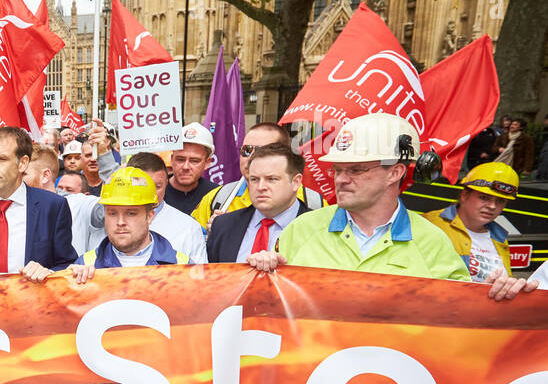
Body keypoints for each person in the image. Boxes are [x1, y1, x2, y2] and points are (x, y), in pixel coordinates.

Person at [248, 113, 537, 300]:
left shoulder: (432, 241)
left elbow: (460, 317)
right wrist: (261, 273)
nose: (341, 179)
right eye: (338, 169)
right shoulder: (303, 229)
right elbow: (269, 308)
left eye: (357, 169)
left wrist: (501, 297)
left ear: (395, 172)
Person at [0, 126, 76, 283]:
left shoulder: (52, 207)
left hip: (31, 303)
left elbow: (66, 263)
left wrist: (48, 272)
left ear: (22, 163)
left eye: (1, 159)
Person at [191, 122, 323, 228]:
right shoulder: (216, 199)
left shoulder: (314, 203)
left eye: (263, 151)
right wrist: (216, 234)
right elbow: (191, 247)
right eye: (247, 150)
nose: (251, 158)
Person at [70, 167, 187, 283]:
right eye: (112, 213)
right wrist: (71, 284)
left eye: (131, 213)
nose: (120, 222)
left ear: (150, 216)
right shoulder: (85, 265)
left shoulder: (183, 267)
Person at [207, 144, 312, 263]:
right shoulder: (223, 226)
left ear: (295, 182)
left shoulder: (317, 229)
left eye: (271, 179)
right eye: (254, 179)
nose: (261, 187)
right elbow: (211, 278)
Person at [98, 152, 208, 264]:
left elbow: (199, 276)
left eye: (157, 186)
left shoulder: (189, 227)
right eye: (142, 186)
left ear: (166, 183)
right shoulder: (91, 259)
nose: (151, 194)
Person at [421, 162, 519, 283]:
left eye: (500, 201)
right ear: (464, 194)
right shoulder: (430, 224)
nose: (492, 206)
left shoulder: (500, 237)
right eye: (484, 197)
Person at [28, 145, 102, 259]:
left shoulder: (79, 203)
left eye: (24, 174)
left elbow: (114, 209)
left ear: (45, 175)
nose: (17, 179)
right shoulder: (16, 208)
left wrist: (106, 160)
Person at [164, 122, 218, 214]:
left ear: (207, 163)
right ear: (172, 159)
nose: (186, 167)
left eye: (194, 161)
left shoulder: (217, 195)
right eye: (180, 159)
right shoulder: (155, 191)